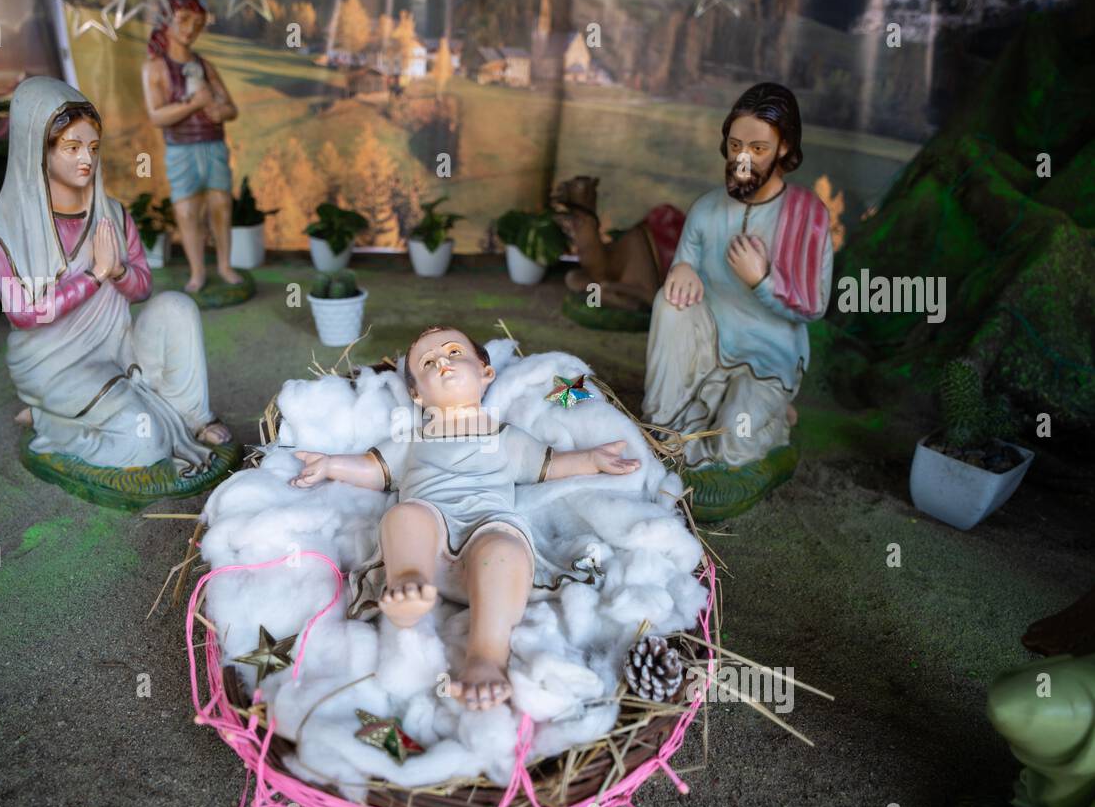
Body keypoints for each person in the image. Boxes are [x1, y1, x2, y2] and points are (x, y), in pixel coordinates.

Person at [289, 326, 640, 711]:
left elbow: (550, 464)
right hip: (429, 543)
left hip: (489, 530)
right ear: (417, 394)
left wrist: (591, 459)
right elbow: (374, 470)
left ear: (486, 373)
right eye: (428, 362)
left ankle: (486, 657)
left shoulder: (505, 435)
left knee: (504, 550)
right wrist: (330, 465)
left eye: (455, 352)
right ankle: (408, 582)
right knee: (405, 516)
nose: (443, 362)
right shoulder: (413, 438)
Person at [0, 76, 230, 477]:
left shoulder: (111, 213)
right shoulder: (7, 228)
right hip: (57, 366)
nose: (87, 159)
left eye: (93, 148)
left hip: (116, 348)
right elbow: (24, 314)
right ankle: (55, 422)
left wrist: (117, 271)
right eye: (72, 147)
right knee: (146, 442)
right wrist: (95, 276)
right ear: (38, 150)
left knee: (176, 306)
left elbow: (143, 287)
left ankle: (192, 415)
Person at [642, 82, 833, 469]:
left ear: (783, 148)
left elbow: (813, 305)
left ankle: (774, 415)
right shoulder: (707, 209)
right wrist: (682, 269)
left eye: (758, 149)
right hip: (707, 345)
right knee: (670, 302)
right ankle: (662, 423)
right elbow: (686, 268)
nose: (742, 159)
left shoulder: (806, 216)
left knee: (733, 449)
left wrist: (762, 280)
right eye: (735, 146)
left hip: (766, 359)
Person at [142, 0, 243, 292]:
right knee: (187, 212)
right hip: (181, 150)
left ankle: (225, 266)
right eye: (183, 20)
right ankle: (197, 272)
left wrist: (217, 110)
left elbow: (231, 108)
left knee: (221, 205)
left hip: (213, 145)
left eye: (197, 24)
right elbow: (157, 115)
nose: (190, 29)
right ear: (167, 21)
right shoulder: (155, 68)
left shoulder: (205, 66)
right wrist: (193, 104)